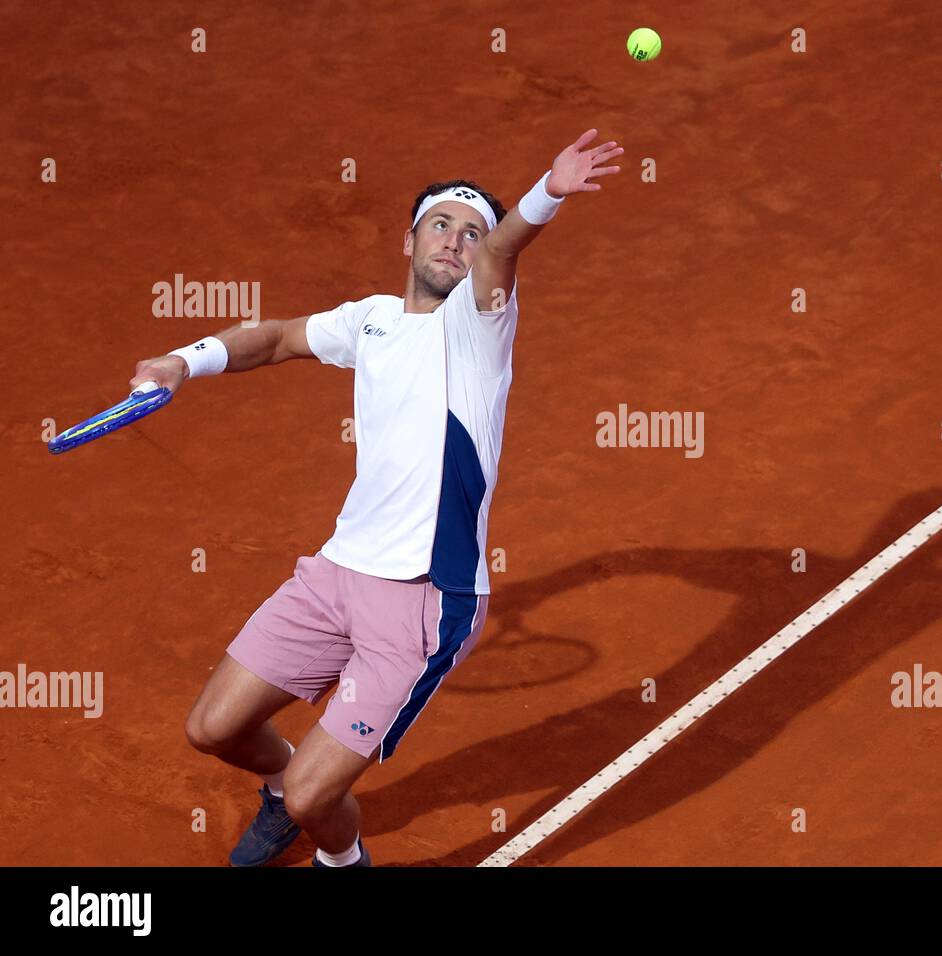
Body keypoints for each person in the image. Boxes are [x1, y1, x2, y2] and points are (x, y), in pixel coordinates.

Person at [129, 130, 623, 867]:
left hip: (424, 601)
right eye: (441, 225)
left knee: (313, 797)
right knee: (213, 728)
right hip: (334, 575)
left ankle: (343, 859)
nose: (458, 242)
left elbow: (504, 252)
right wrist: (181, 361)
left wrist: (545, 193)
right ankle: (277, 788)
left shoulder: (479, 324)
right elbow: (276, 339)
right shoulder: (372, 319)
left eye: (471, 232)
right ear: (410, 239)